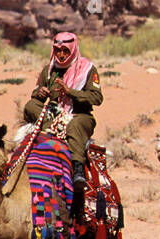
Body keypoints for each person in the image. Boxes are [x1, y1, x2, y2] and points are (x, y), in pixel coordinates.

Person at [24, 31, 102, 208]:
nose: (61, 55)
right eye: (57, 50)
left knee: (74, 127)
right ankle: (52, 134)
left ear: (73, 50)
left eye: (65, 51)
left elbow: (97, 98)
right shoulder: (49, 70)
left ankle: (78, 170)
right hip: (53, 115)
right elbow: (36, 96)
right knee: (30, 106)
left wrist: (70, 92)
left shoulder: (87, 69)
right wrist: (40, 93)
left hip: (79, 115)